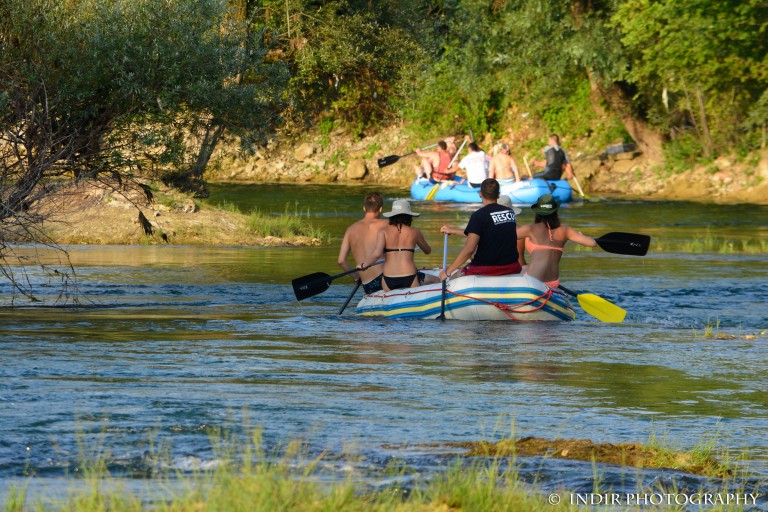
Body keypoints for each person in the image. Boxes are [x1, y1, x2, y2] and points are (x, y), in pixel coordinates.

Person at [439, 179, 521, 281]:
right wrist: (453, 230)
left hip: (486, 270)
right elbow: (490, 232)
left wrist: (448, 272)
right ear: (498, 195)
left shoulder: (478, 216)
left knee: (454, 278)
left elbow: (469, 249)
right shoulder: (510, 212)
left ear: (480, 194)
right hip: (512, 267)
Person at [516, 193, 596, 289]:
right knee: (525, 267)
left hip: (534, 281)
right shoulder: (566, 230)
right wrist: (582, 236)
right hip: (553, 283)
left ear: (537, 212)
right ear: (555, 211)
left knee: (521, 268)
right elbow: (592, 243)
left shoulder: (531, 229)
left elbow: (504, 237)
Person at [358, 199, 432, 291]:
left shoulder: (383, 231)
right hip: (409, 276)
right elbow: (428, 251)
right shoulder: (415, 232)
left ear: (392, 216)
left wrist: (364, 265)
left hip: (389, 278)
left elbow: (377, 254)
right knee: (437, 280)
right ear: (409, 216)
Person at [440, 194, 527, 268]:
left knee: (473, 249)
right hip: (508, 268)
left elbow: (477, 235)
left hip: (501, 269)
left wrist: (449, 271)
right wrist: (452, 230)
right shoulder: (519, 230)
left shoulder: (517, 231)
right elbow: (477, 233)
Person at [337, 192, 389, 294]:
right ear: (381, 209)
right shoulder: (386, 224)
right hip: (385, 280)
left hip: (368, 285)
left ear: (364, 208)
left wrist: (356, 278)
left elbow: (341, 261)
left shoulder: (350, 230)